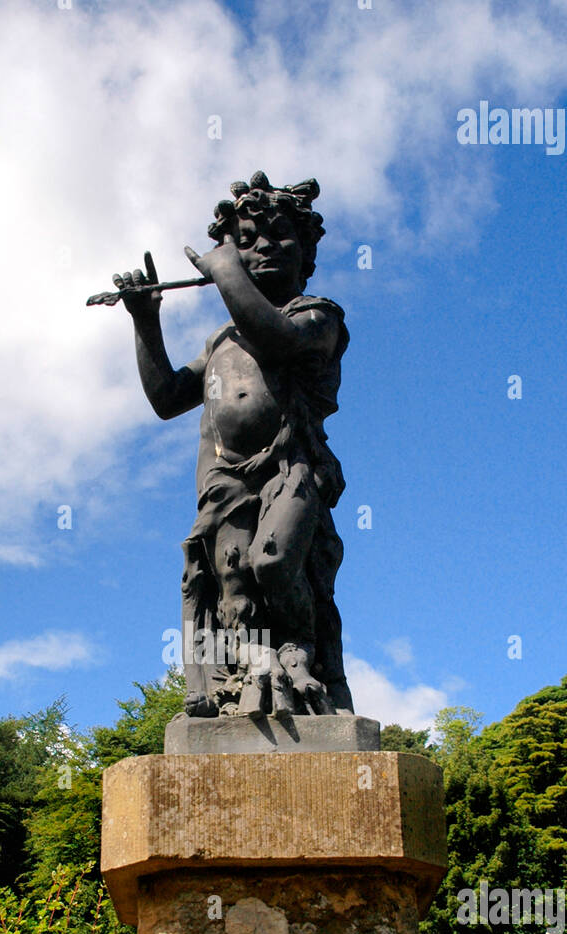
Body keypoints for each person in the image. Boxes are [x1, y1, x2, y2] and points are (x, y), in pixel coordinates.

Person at [113, 171, 353, 717]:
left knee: (274, 559)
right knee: (232, 579)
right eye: (245, 241)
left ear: (306, 251)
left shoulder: (318, 318)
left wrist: (224, 269)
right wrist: (146, 322)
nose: (261, 248)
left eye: (277, 238)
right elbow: (169, 397)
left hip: (291, 465)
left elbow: (277, 337)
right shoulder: (221, 341)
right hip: (225, 477)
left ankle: (302, 654)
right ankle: (246, 680)